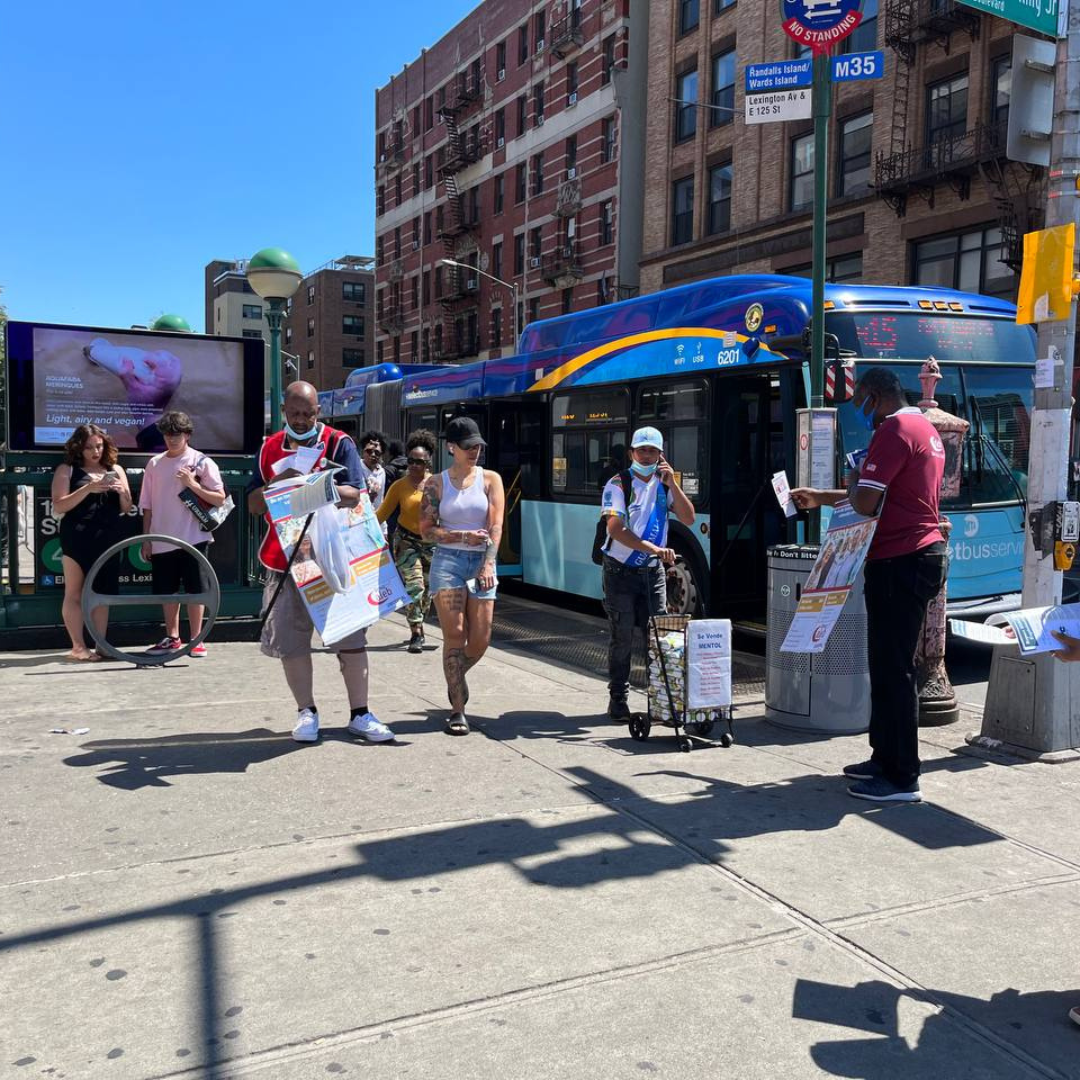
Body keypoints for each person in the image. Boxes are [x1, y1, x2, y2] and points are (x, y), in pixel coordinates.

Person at [793, 367, 947, 803]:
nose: (859, 408)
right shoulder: (921, 427)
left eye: (860, 399)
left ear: (875, 395)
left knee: (894, 668)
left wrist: (856, 472)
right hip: (915, 555)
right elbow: (889, 496)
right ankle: (883, 758)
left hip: (902, 558)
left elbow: (865, 501)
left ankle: (901, 776)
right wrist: (821, 496)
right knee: (884, 664)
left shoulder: (895, 429)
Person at [247, 382, 394, 745]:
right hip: (286, 560)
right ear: (284, 412)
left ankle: (360, 713)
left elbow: (354, 493)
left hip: (333, 557)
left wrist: (315, 484)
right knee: (292, 641)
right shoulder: (267, 449)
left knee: (351, 636)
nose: (301, 420)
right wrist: (278, 483)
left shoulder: (339, 442)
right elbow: (252, 504)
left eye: (308, 414)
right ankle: (306, 712)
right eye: (295, 413)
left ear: (318, 413)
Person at [600, 426, 695, 720]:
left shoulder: (664, 485)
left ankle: (663, 698)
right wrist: (654, 549)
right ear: (632, 453)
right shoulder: (618, 484)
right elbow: (615, 530)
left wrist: (674, 484)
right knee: (623, 636)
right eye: (642, 450)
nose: (647, 455)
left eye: (653, 451)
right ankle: (618, 698)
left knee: (660, 635)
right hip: (620, 571)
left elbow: (688, 517)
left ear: (661, 455)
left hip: (651, 573)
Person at [420, 416, 505, 735]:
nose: (476, 451)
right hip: (449, 562)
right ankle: (458, 710)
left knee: (481, 639)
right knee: (455, 633)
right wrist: (458, 537)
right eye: (469, 446)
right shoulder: (435, 483)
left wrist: (488, 563)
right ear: (451, 448)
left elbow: (496, 525)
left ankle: (455, 675)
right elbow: (425, 530)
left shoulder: (490, 479)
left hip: (482, 562)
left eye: (479, 446)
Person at [139, 411, 226, 657]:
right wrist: (146, 539)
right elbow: (147, 505)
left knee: (195, 589)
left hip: (194, 538)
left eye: (177, 434)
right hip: (161, 538)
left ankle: (196, 639)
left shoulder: (202, 462)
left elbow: (219, 498)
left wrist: (193, 484)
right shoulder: (154, 464)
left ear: (187, 435)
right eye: (167, 434)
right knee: (167, 591)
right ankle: (172, 637)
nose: (172, 438)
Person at [51, 424, 133, 660]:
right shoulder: (67, 470)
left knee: (103, 593)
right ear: (79, 448)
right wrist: (88, 488)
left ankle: (101, 643)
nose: (95, 452)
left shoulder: (116, 469)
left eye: (99, 446)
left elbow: (127, 508)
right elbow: (59, 505)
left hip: (108, 539)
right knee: (74, 592)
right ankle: (78, 647)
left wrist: (120, 491)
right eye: (89, 448)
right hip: (77, 537)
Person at [377, 429, 437, 654]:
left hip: (431, 543)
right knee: (415, 586)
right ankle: (416, 632)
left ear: (428, 461)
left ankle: (419, 619)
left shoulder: (437, 484)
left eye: (419, 462)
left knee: (428, 591)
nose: (413, 466)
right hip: (406, 541)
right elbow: (381, 515)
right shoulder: (399, 486)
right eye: (410, 461)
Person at [358, 430, 388, 511]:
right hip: (359, 516)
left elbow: (380, 498)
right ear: (363, 452)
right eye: (369, 451)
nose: (373, 455)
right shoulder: (356, 468)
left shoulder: (382, 472)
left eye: (377, 452)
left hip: (375, 516)